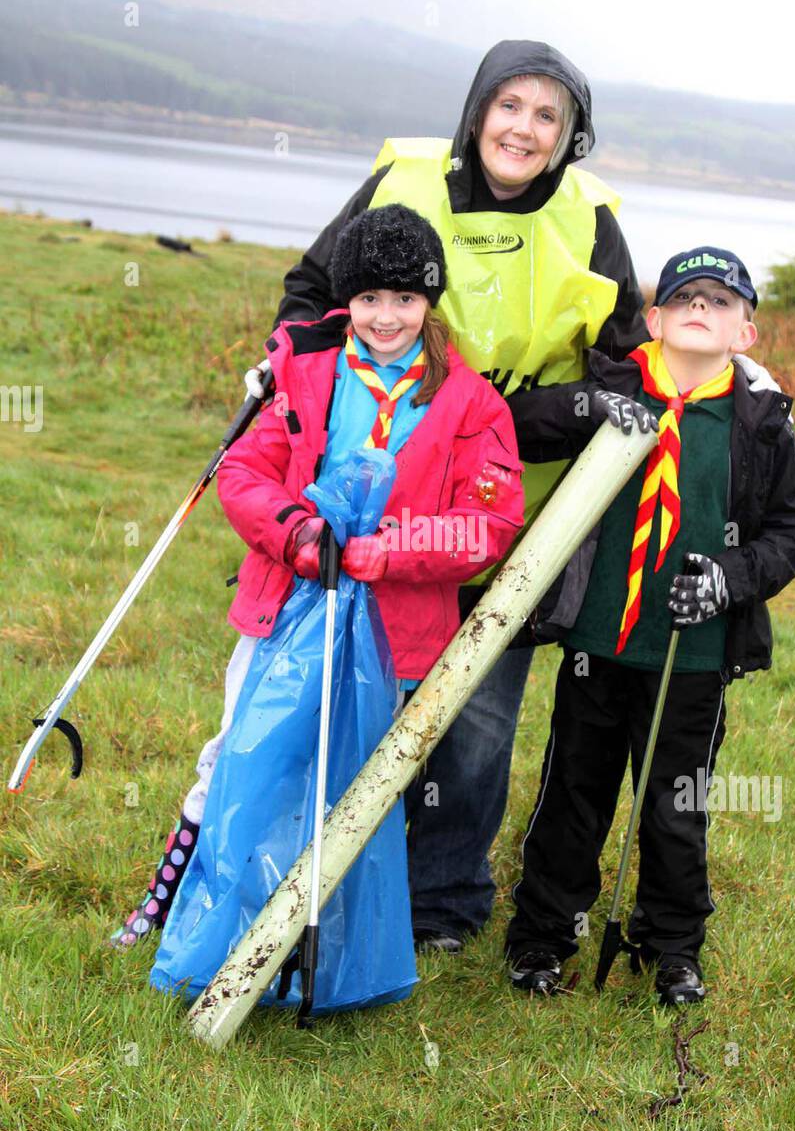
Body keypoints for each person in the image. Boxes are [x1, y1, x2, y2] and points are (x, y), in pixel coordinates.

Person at [252, 39, 653, 951]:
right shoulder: (405, 177)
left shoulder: (592, 222)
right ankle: (331, 878)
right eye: (510, 105)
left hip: (505, 519)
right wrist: (294, 382)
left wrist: (515, 418)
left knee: (475, 717)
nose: (525, 128)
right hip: (373, 509)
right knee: (361, 693)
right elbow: (313, 292)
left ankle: (442, 902)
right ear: (477, 110)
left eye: (548, 116)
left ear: (569, 137)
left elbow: (620, 378)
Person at [112, 204, 525, 948]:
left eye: (404, 298)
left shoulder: (472, 401)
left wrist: (386, 552)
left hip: (392, 630)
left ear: (431, 300)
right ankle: (176, 899)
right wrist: (298, 533)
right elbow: (244, 471)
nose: (386, 316)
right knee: (243, 748)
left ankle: (316, 932)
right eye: (369, 298)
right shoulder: (309, 375)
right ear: (347, 302)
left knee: (357, 780)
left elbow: (488, 525)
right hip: (288, 603)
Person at [503, 247, 795, 1004]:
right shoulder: (615, 386)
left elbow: (791, 529)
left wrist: (728, 580)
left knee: (677, 804)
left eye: (719, 301)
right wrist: (588, 408)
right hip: (597, 645)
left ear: (745, 331)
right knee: (574, 792)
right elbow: (519, 424)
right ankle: (543, 935)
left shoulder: (759, 421)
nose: (699, 310)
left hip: (694, 653)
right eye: (683, 299)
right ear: (654, 319)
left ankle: (671, 945)